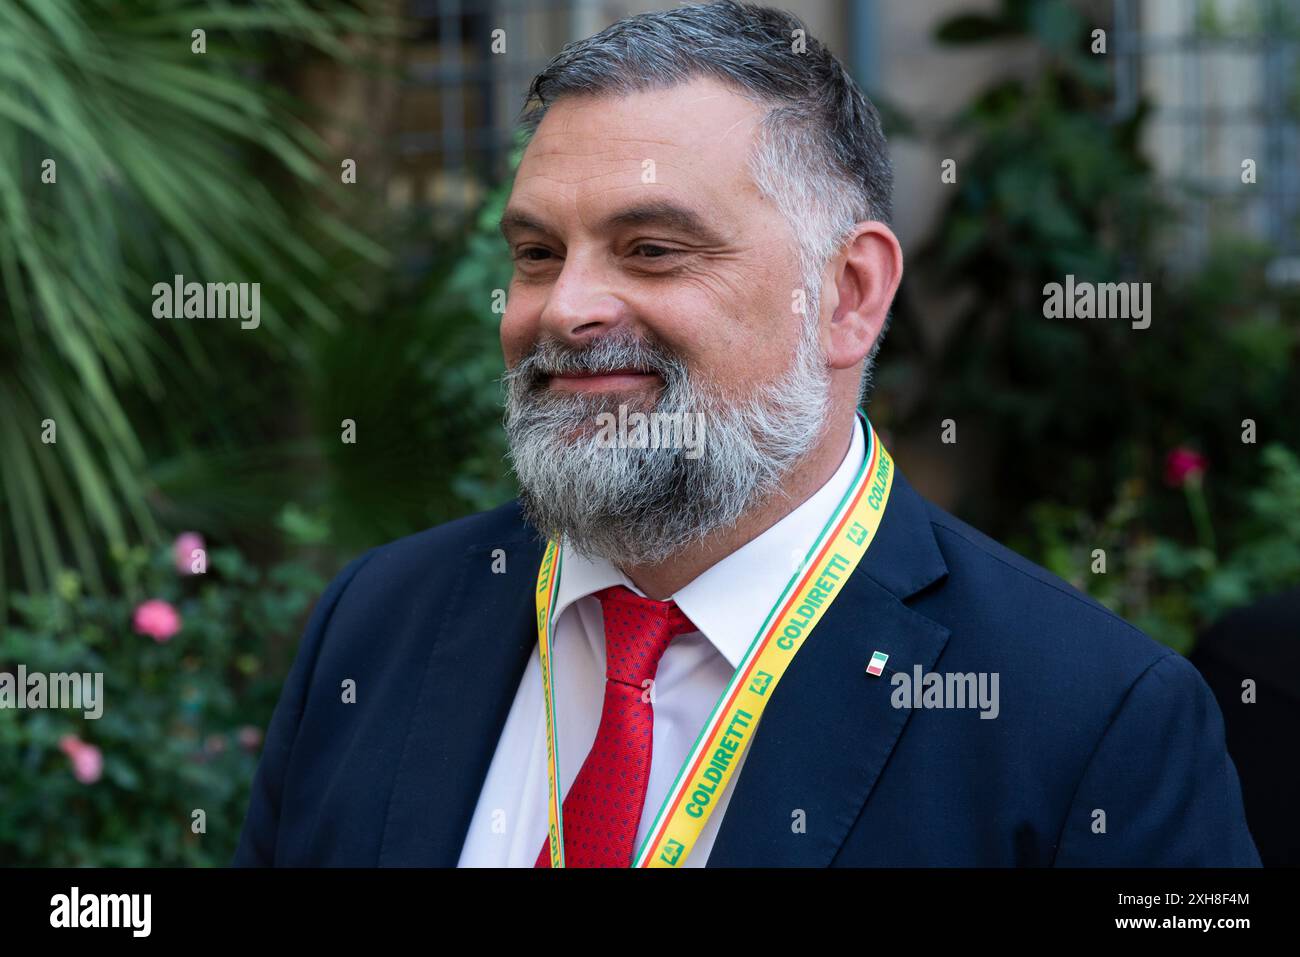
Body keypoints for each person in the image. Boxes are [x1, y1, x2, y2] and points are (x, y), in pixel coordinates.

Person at [233, 0, 1259, 868]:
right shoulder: (375, 625)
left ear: (847, 295)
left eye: (651, 249)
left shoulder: (1088, 722)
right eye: (538, 253)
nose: (565, 309)